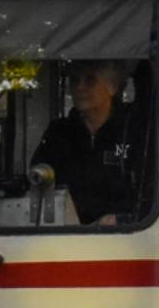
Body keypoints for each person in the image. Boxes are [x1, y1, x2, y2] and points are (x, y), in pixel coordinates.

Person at [31, 59, 147, 225]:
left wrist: (121, 219)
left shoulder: (135, 129)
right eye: (75, 80)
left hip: (123, 235)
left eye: (90, 80)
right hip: (65, 235)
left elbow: (150, 189)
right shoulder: (59, 131)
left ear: (112, 87)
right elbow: (38, 179)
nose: (79, 87)